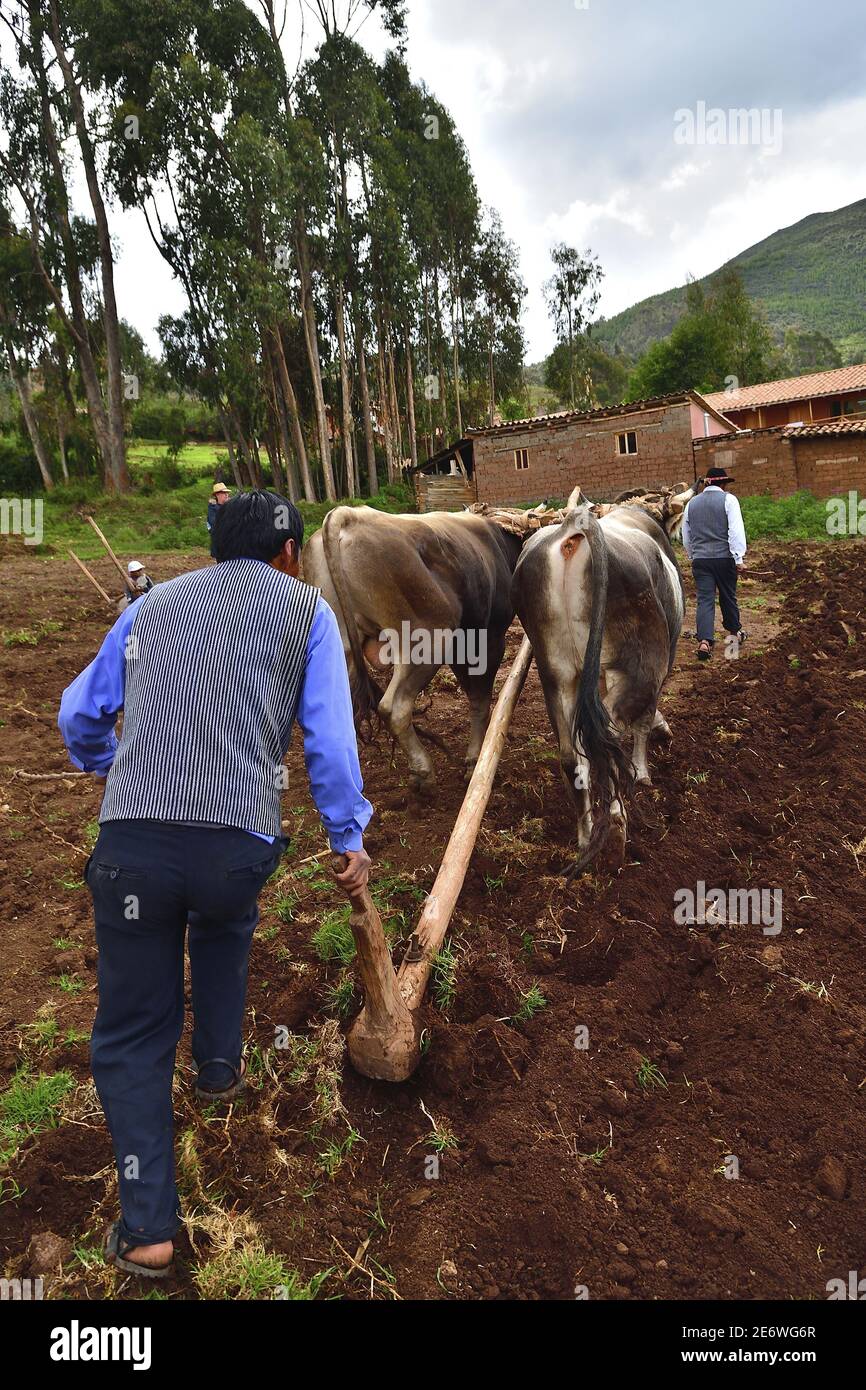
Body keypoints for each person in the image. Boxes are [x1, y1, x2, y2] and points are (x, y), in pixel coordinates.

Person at [58, 491, 372, 1279]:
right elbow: (330, 743)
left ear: (212, 549)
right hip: (236, 847)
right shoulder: (307, 613)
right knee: (227, 925)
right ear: (292, 554)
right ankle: (220, 1069)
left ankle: (149, 1231)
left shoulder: (152, 606)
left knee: (133, 1033)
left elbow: (79, 715)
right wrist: (347, 838)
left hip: (133, 849)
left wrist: (110, 768)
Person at [681, 466, 748, 661]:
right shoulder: (729, 500)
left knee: (705, 600)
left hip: (701, 560)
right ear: (723, 483)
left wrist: (693, 555)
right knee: (728, 596)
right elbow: (735, 530)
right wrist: (738, 558)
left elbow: (687, 535)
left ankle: (704, 642)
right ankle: (733, 638)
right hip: (724, 559)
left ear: (707, 483)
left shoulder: (692, 504)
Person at [207, 481, 230, 555]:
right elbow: (213, 523)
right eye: (224, 493)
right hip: (220, 543)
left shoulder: (231, 506)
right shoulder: (212, 508)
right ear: (217, 495)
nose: (226, 495)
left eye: (227, 493)